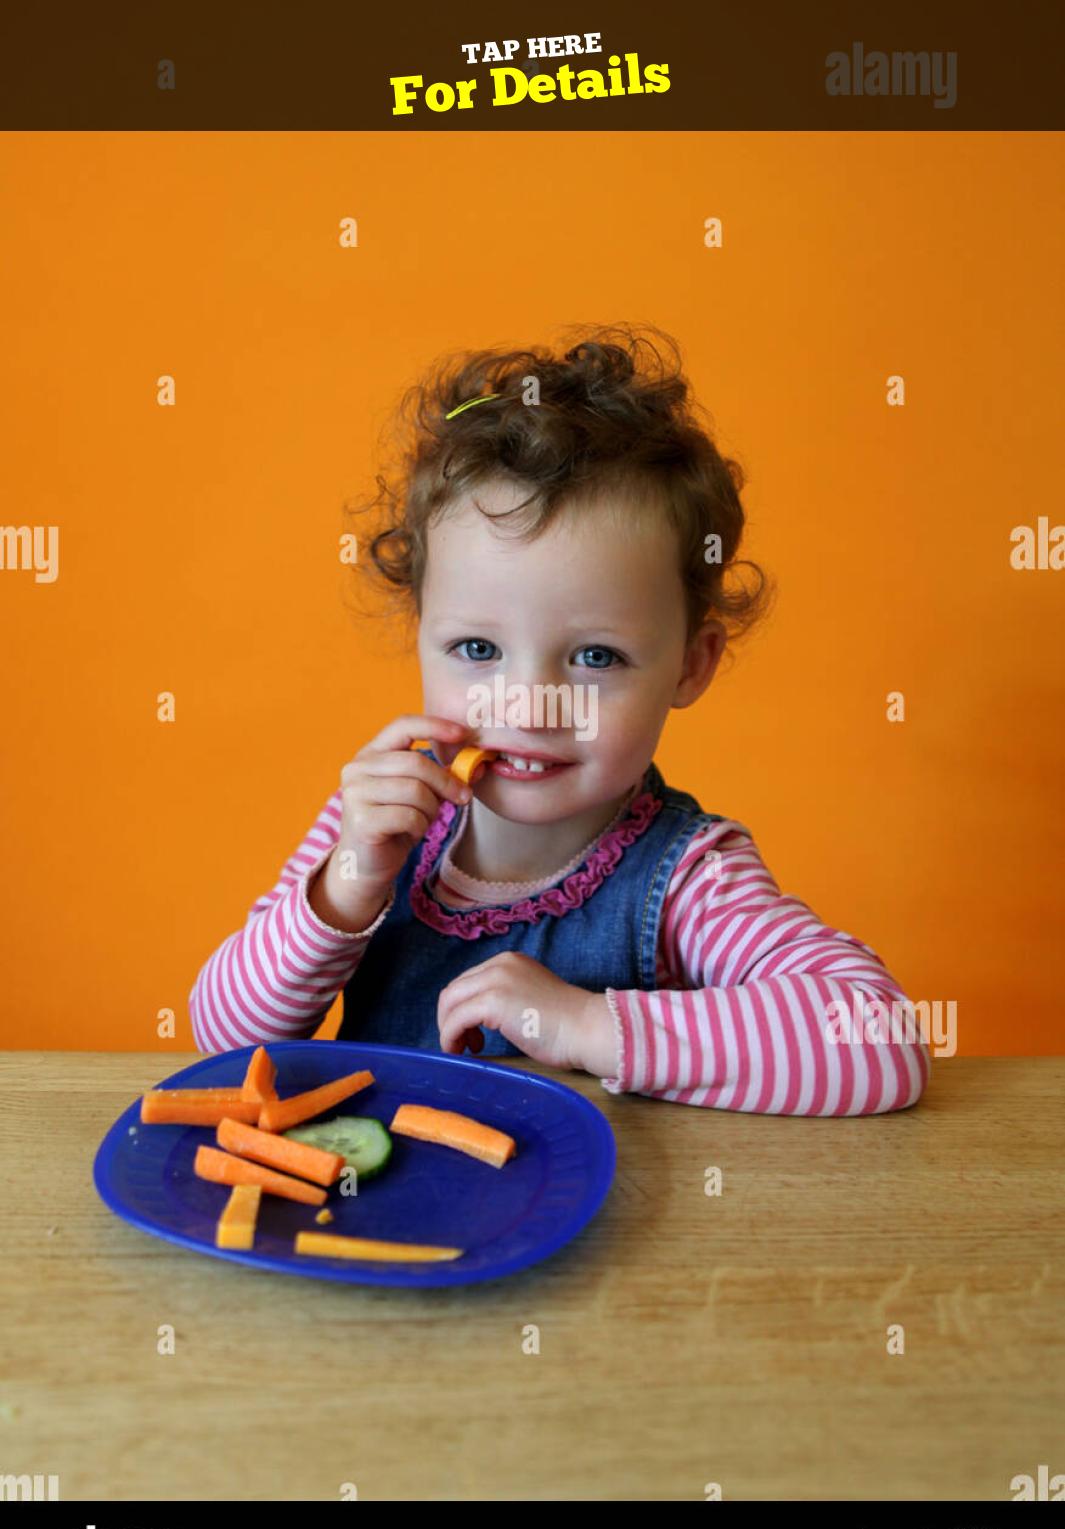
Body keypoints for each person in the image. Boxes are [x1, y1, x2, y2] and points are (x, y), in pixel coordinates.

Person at [190, 323, 930, 1114]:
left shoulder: (687, 877)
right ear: (420, 638)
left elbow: (876, 1037)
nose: (527, 703)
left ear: (690, 663)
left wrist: (585, 1022)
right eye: (476, 647)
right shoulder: (372, 826)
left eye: (595, 657)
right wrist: (345, 889)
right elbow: (223, 1041)